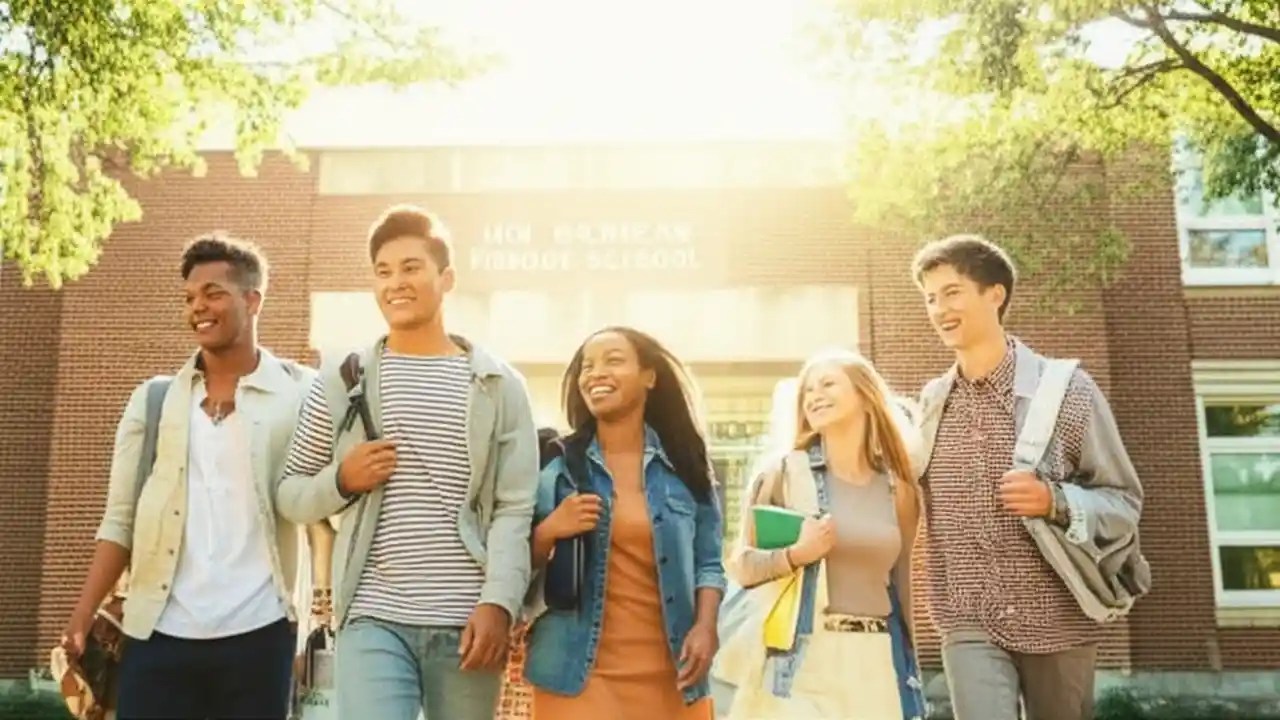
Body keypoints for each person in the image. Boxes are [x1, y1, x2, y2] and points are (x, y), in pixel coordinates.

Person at [274, 205, 539, 720]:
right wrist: (342, 480)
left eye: (411, 268)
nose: (396, 283)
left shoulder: (499, 385)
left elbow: (514, 508)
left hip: (467, 619)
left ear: (446, 278)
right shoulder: (343, 379)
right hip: (373, 614)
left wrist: (499, 603)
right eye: (383, 272)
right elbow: (290, 492)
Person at [60, 233, 316, 720]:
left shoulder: (301, 392)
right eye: (190, 298)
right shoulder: (154, 401)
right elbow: (121, 519)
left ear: (252, 299)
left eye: (214, 293)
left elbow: (322, 503)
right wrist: (82, 614)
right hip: (157, 635)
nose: (199, 306)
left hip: (259, 634)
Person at [912, 235, 1148, 720]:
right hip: (967, 619)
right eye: (931, 298)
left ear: (994, 294)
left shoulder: (1068, 392)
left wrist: (1054, 501)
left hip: (1060, 616)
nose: (939, 309)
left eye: (952, 292)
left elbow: (1123, 501)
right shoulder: (933, 405)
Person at [522, 327, 726, 720]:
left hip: (674, 674)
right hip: (576, 675)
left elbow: (709, 564)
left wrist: (706, 627)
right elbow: (514, 564)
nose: (596, 373)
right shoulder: (557, 465)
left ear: (650, 376)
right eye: (587, 366)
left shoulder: (687, 467)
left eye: (613, 360)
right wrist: (550, 529)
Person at [720, 349, 927, 719]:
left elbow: (902, 584)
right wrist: (797, 553)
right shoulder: (784, 474)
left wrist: (909, 664)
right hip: (806, 655)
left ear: (865, 395)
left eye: (828, 383)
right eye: (808, 390)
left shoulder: (900, 489)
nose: (814, 395)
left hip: (876, 657)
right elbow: (744, 565)